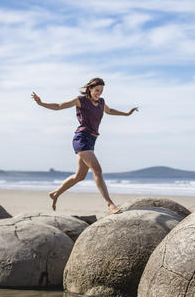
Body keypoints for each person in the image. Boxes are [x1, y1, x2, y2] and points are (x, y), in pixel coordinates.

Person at [31, 77, 138, 214]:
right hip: (81, 139)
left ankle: (55, 193)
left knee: (80, 176)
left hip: (92, 141)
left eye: (101, 91)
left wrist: (127, 114)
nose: (99, 93)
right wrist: (41, 103)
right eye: (96, 90)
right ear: (90, 89)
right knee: (97, 171)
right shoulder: (80, 100)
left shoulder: (101, 102)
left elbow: (109, 111)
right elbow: (58, 106)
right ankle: (109, 203)